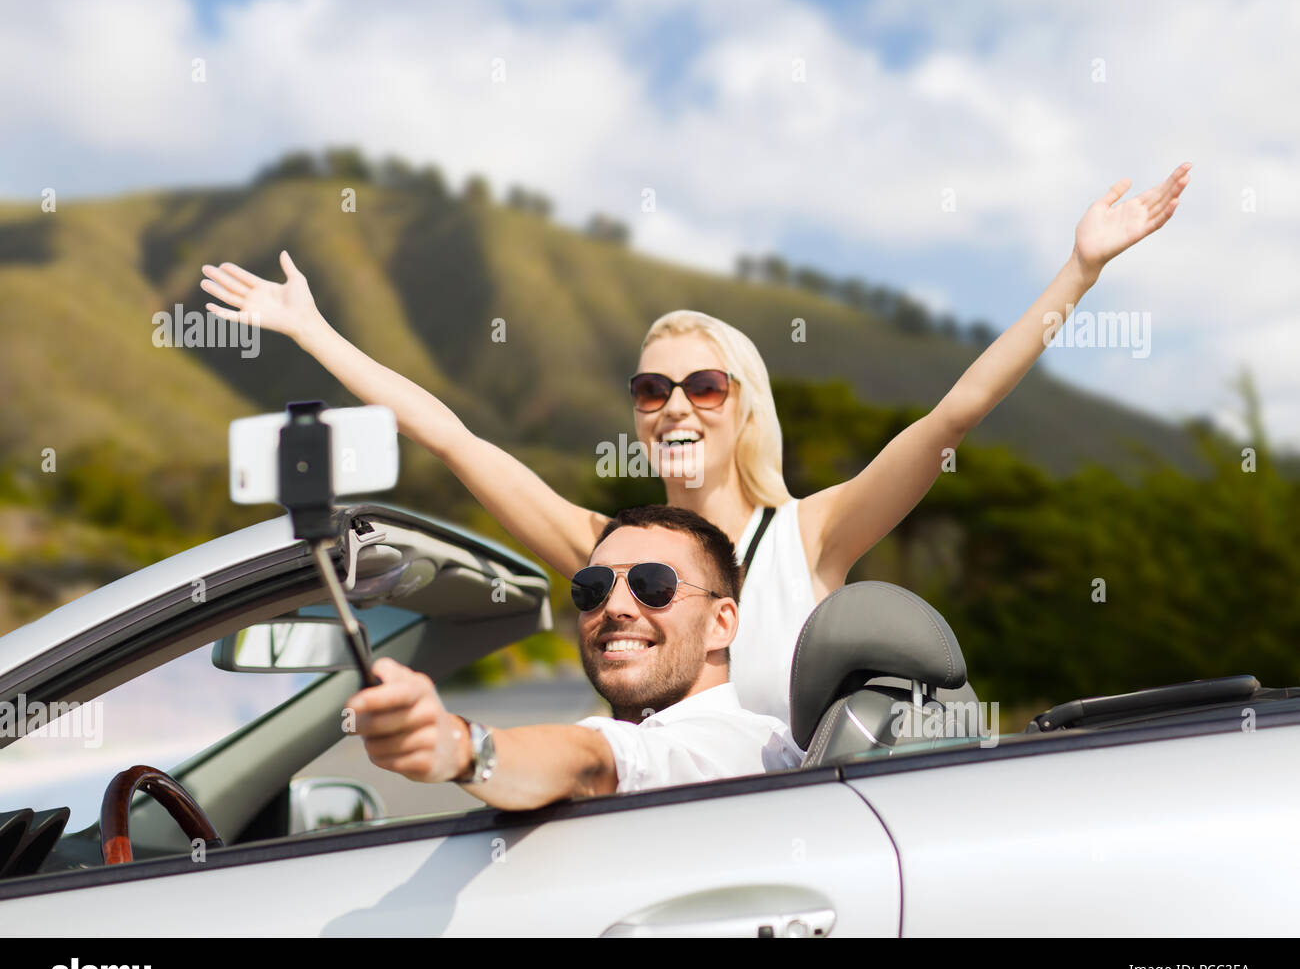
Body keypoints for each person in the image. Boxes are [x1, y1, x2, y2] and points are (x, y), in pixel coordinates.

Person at [203, 162, 1191, 726]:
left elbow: (954, 414)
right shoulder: (612, 555)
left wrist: (1078, 270)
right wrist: (314, 331)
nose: (674, 405)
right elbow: (456, 437)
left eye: (702, 384)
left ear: (743, 405)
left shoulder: (812, 536)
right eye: (650, 388)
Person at [344, 505, 803, 809]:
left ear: (721, 623)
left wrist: (462, 746)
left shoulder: (728, 745)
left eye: (654, 586)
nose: (616, 606)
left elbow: (593, 760)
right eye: (594, 587)